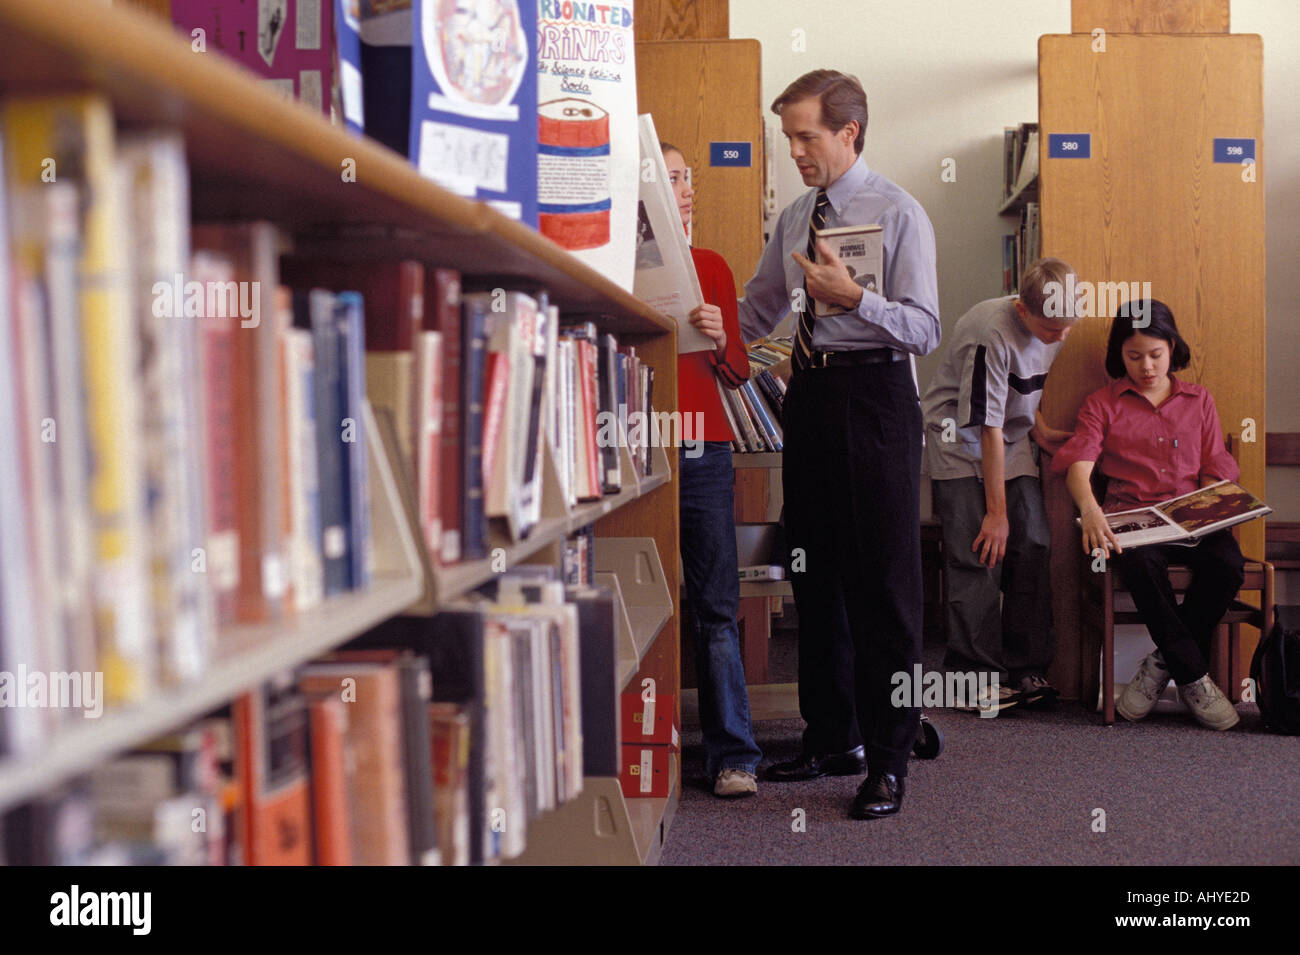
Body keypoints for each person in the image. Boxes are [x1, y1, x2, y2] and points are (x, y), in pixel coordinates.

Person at [737, 70, 940, 819]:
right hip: (813, 395)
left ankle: (888, 761)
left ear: (849, 133)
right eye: (788, 137)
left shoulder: (900, 213)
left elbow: (925, 327)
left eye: (805, 136)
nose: (794, 150)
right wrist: (697, 317)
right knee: (813, 573)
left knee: (885, 587)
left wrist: (856, 298)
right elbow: (760, 307)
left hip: (879, 396)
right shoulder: (795, 217)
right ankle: (832, 737)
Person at [1053, 299, 1244, 730]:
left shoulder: (1199, 400)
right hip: (1134, 521)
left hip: (1191, 518)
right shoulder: (1102, 403)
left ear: (1172, 347)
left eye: (1156, 354)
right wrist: (1091, 509)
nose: (1146, 366)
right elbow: (1079, 467)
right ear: (1118, 354)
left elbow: (1216, 462)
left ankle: (1161, 665)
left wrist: (1221, 498)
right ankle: (1195, 678)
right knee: (1140, 566)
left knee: (1229, 565)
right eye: (1133, 356)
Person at [921, 258, 1079, 714]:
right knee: (979, 555)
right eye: (1052, 329)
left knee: (1034, 542)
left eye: (1067, 326)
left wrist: (1040, 429)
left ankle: (1025, 667)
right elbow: (986, 427)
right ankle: (973, 677)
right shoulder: (991, 333)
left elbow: (1023, 384)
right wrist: (996, 513)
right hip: (960, 438)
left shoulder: (1056, 323)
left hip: (1007, 438)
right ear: (1023, 310)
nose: (1062, 336)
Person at [662, 142, 764, 796]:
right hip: (637, 444)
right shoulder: (616, 268)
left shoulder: (712, 267)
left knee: (715, 604)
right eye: (673, 178)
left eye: (689, 179)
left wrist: (721, 335)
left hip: (704, 449)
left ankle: (733, 756)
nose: (688, 189)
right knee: (633, 595)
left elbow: (738, 371)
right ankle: (644, 746)